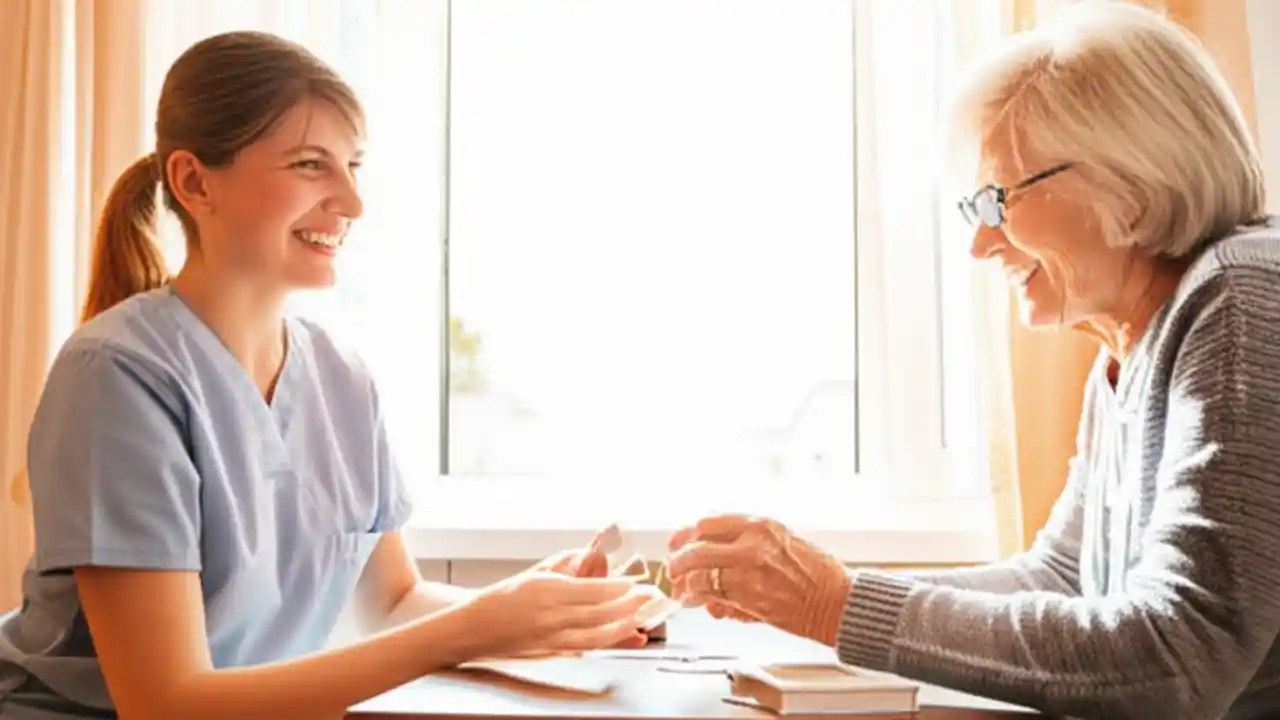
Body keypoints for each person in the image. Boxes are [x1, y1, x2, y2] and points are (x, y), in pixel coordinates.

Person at [0, 31, 648, 720]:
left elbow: (393, 602)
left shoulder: (342, 378)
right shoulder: (118, 376)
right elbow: (166, 703)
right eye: (311, 165)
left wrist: (547, 613)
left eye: (353, 165)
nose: (351, 201)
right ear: (194, 182)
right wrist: (478, 627)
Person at [666, 3, 1280, 719]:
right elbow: (1062, 578)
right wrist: (811, 599)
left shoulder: (1242, 301)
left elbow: (1174, 662)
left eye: (998, 201)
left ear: (1132, 175)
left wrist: (836, 602)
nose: (980, 245)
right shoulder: (1129, 346)